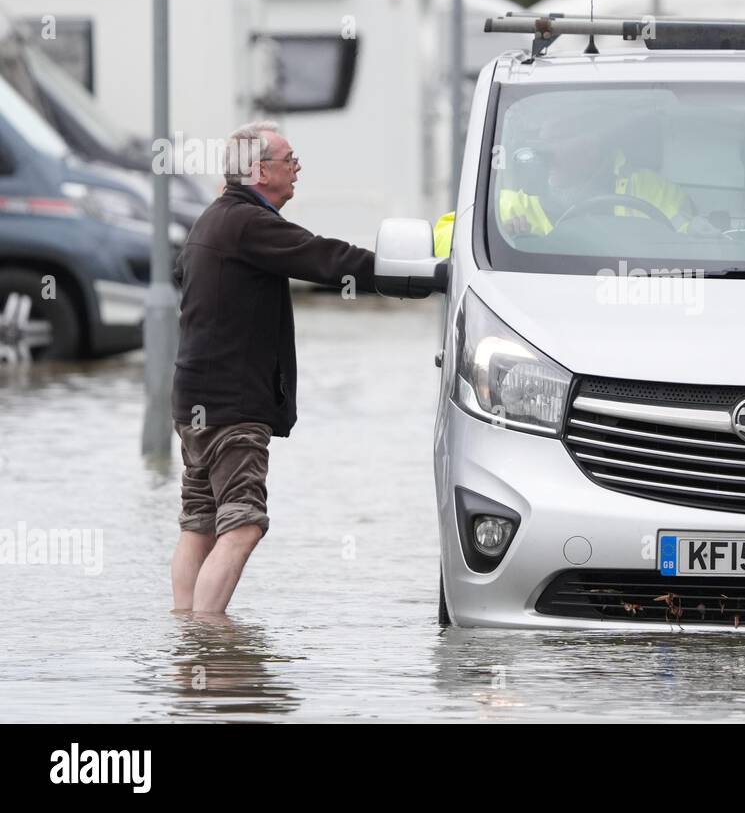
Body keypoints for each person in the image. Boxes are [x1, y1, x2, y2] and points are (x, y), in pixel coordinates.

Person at [169, 121, 376, 614]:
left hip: (194, 402)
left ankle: (185, 637)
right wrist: (407, 272)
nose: (297, 169)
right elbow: (325, 257)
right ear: (260, 171)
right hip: (231, 406)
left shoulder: (213, 220)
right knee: (243, 524)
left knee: (200, 521)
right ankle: (209, 639)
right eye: (290, 160)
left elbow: (182, 272)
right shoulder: (247, 223)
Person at [432, 115, 717, 257]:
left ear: (593, 143)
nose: (545, 153)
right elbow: (444, 238)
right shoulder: (514, 202)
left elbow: (690, 245)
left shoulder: (651, 190)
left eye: (558, 141)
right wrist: (496, 235)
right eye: (542, 143)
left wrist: (698, 233)